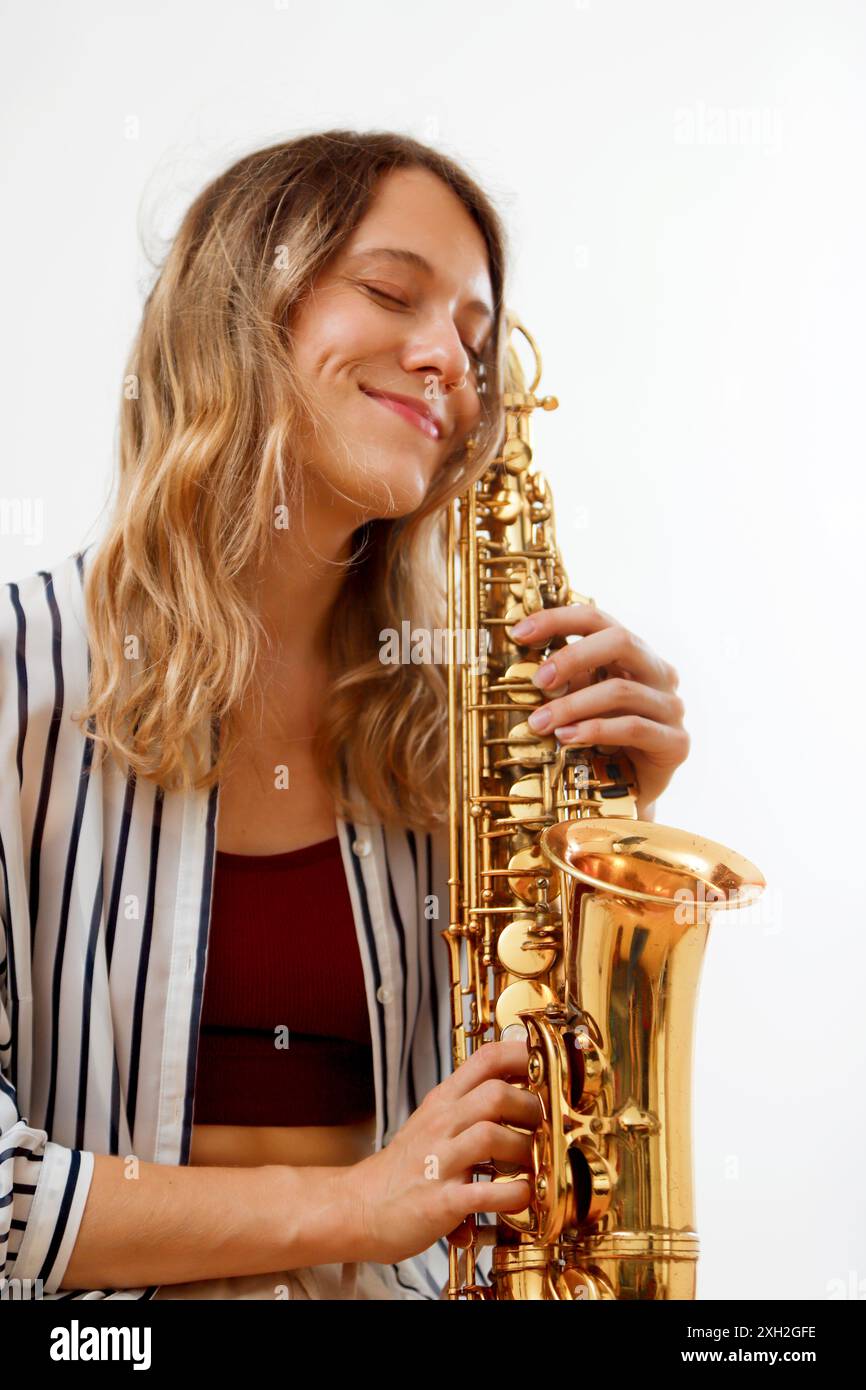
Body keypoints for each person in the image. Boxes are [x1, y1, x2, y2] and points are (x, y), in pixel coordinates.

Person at [0, 129, 689, 1301]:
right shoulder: (21, 667)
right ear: (238, 301)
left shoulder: (462, 714)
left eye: (475, 339)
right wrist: (355, 1203)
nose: (450, 365)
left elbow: (547, 1130)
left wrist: (602, 839)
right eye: (388, 292)